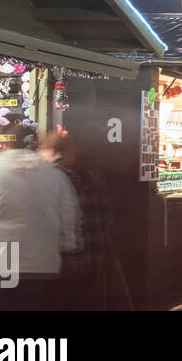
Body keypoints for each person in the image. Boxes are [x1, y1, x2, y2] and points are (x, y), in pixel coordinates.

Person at [0, 125, 82, 310]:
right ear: (35, 146)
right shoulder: (56, 177)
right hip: (42, 267)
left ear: (6, 145)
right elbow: (68, 222)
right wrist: (66, 252)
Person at [42, 132, 117, 309]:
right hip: (95, 252)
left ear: (55, 152)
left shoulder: (54, 179)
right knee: (85, 301)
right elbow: (107, 215)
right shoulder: (93, 177)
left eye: (43, 150)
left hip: (67, 256)